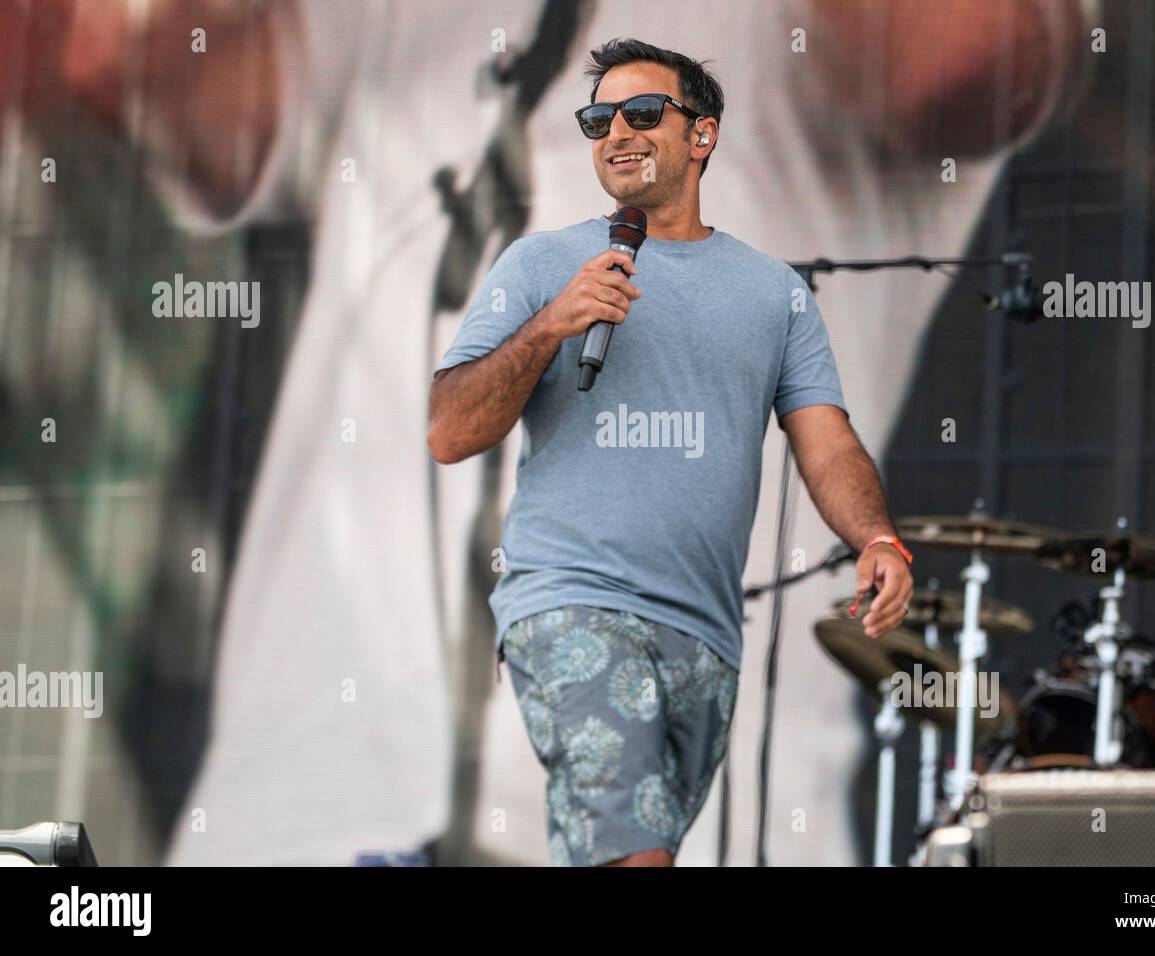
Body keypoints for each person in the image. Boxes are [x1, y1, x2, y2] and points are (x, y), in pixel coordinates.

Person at [4, 0, 1094, 865]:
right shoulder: (533, 255)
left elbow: (950, 50)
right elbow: (143, 72)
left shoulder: (758, 257)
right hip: (305, 809)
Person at [427, 40, 915, 866]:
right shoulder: (544, 263)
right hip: (570, 599)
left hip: (705, 634)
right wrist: (551, 324)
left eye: (643, 113)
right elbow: (448, 431)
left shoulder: (774, 293)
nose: (616, 131)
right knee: (637, 857)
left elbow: (826, 441)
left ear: (704, 135)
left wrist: (876, 539)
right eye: (597, 118)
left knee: (624, 853)